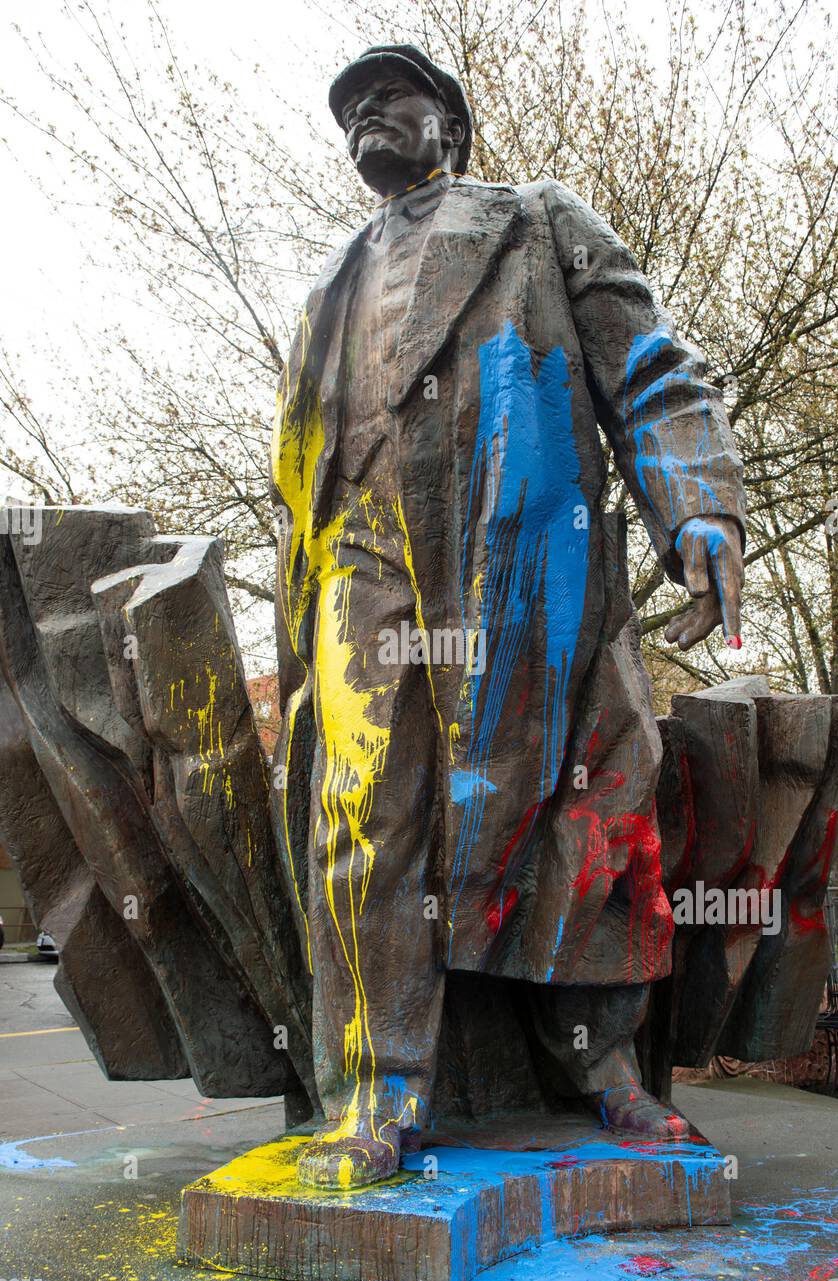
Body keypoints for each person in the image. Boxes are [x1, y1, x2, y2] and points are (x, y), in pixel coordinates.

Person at [270, 43, 746, 1188]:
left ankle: (602, 1066)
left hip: (519, 553)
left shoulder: (534, 222)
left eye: (389, 99)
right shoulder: (329, 285)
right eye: (349, 112)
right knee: (363, 812)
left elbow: (651, 370)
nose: (364, 120)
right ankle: (380, 1088)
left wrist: (698, 507)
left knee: (583, 803)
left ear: (451, 124)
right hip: (364, 564)